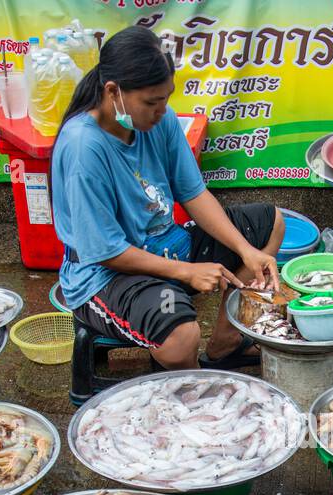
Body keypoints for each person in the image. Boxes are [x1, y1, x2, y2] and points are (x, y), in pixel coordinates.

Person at [51, 26, 284, 370]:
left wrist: (246, 250)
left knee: (271, 224)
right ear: (113, 91)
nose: (162, 110)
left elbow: (194, 194)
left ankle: (226, 343)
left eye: (166, 98)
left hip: (165, 246)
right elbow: (106, 251)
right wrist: (187, 271)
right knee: (181, 336)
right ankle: (188, 398)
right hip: (105, 275)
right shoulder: (84, 147)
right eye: (151, 102)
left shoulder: (161, 120)